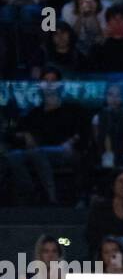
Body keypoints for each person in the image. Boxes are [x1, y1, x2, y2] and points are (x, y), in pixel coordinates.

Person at [7, 67, 86, 205]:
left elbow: (84, 130)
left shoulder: (72, 109)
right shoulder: (35, 113)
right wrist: (25, 134)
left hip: (64, 151)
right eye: (45, 80)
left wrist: (71, 142)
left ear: (60, 85)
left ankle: (52, 198)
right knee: (13, 156)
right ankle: (29, 191)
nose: (49, 84)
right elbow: (15, 132)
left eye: (53, 81)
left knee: (37, 152)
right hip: (39, 152)